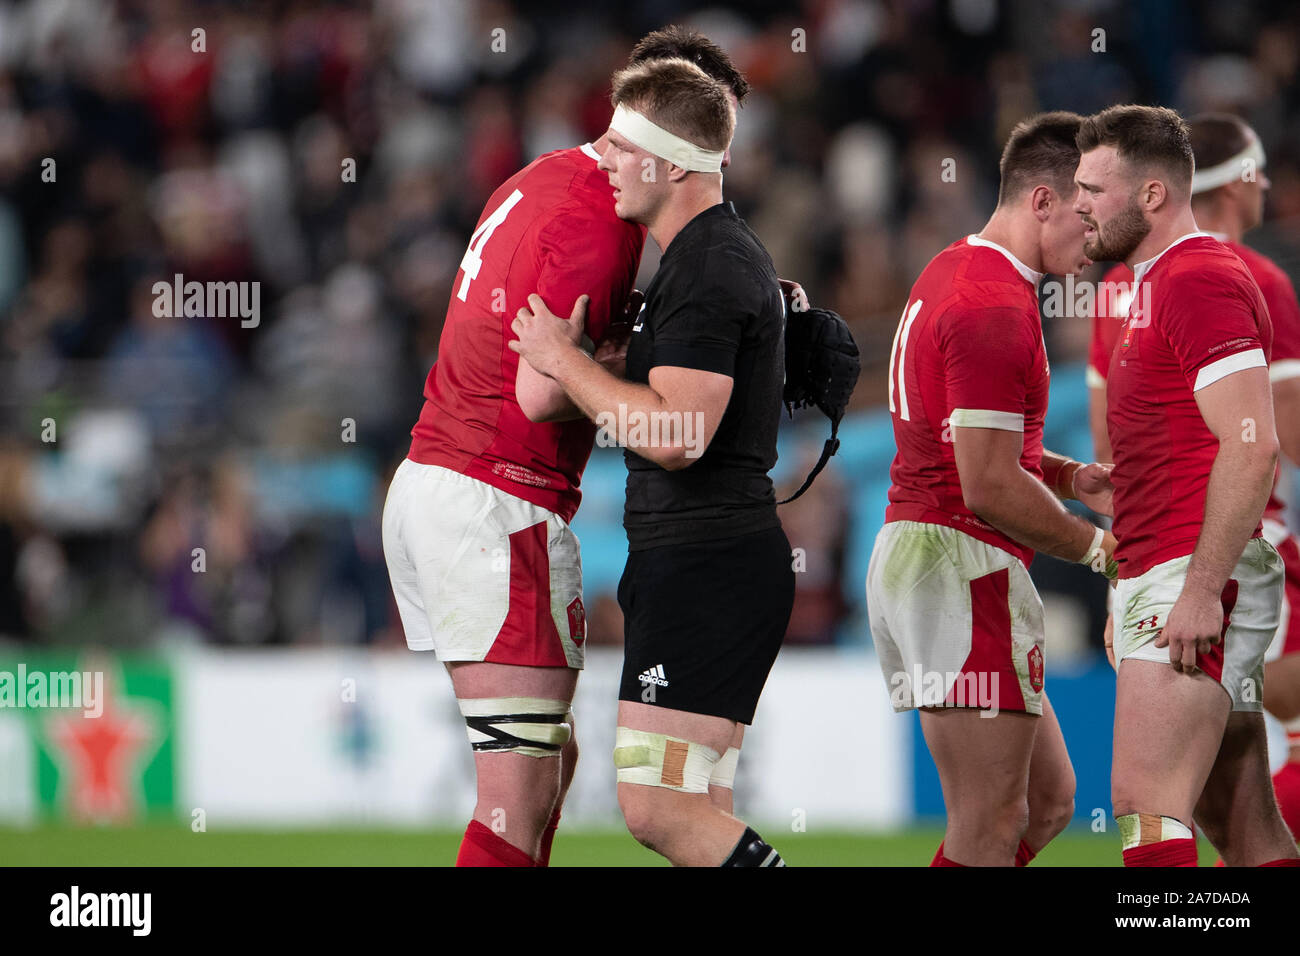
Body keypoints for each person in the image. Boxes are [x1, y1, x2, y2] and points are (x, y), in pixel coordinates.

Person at [380, 28, 752, 867]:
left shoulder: (546, 174)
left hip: (441, 477)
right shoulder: (603, 222)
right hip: (494, 497)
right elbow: (540, 389)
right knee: (516, 798)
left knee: (550, 769)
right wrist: (644, 370)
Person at [510, 57, 791, 867]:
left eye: (620, 143)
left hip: (706, 565)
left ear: (670, 164)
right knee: (698, 804)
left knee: (658, 810)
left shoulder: (706, 267)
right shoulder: (707, 259)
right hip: (712, 560)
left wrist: (566, 362)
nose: (603, 157)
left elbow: (677, 437)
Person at [867, 112, 1117, 867]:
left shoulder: (956, 270)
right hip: (956, 565)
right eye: (1088, 217)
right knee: (988, 821)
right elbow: (985, 485)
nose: (1097, 241)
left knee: (1049, 804)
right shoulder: (995, 309)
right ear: (1043, 201)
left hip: (935, 555)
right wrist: (1104, 550)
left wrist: (1069, 475)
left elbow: (974, 446)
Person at [1074, 103, 1299, 866]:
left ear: (1153, 196)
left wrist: (1200, 588)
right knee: (1242, 821)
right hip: (1168, 569)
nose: (1079, 205)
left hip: (1193, 576)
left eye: (1094, 189)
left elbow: (1254, 442)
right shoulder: (1143, 287)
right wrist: (1124, 577)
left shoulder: (1197, 277)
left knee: (1146, 810)